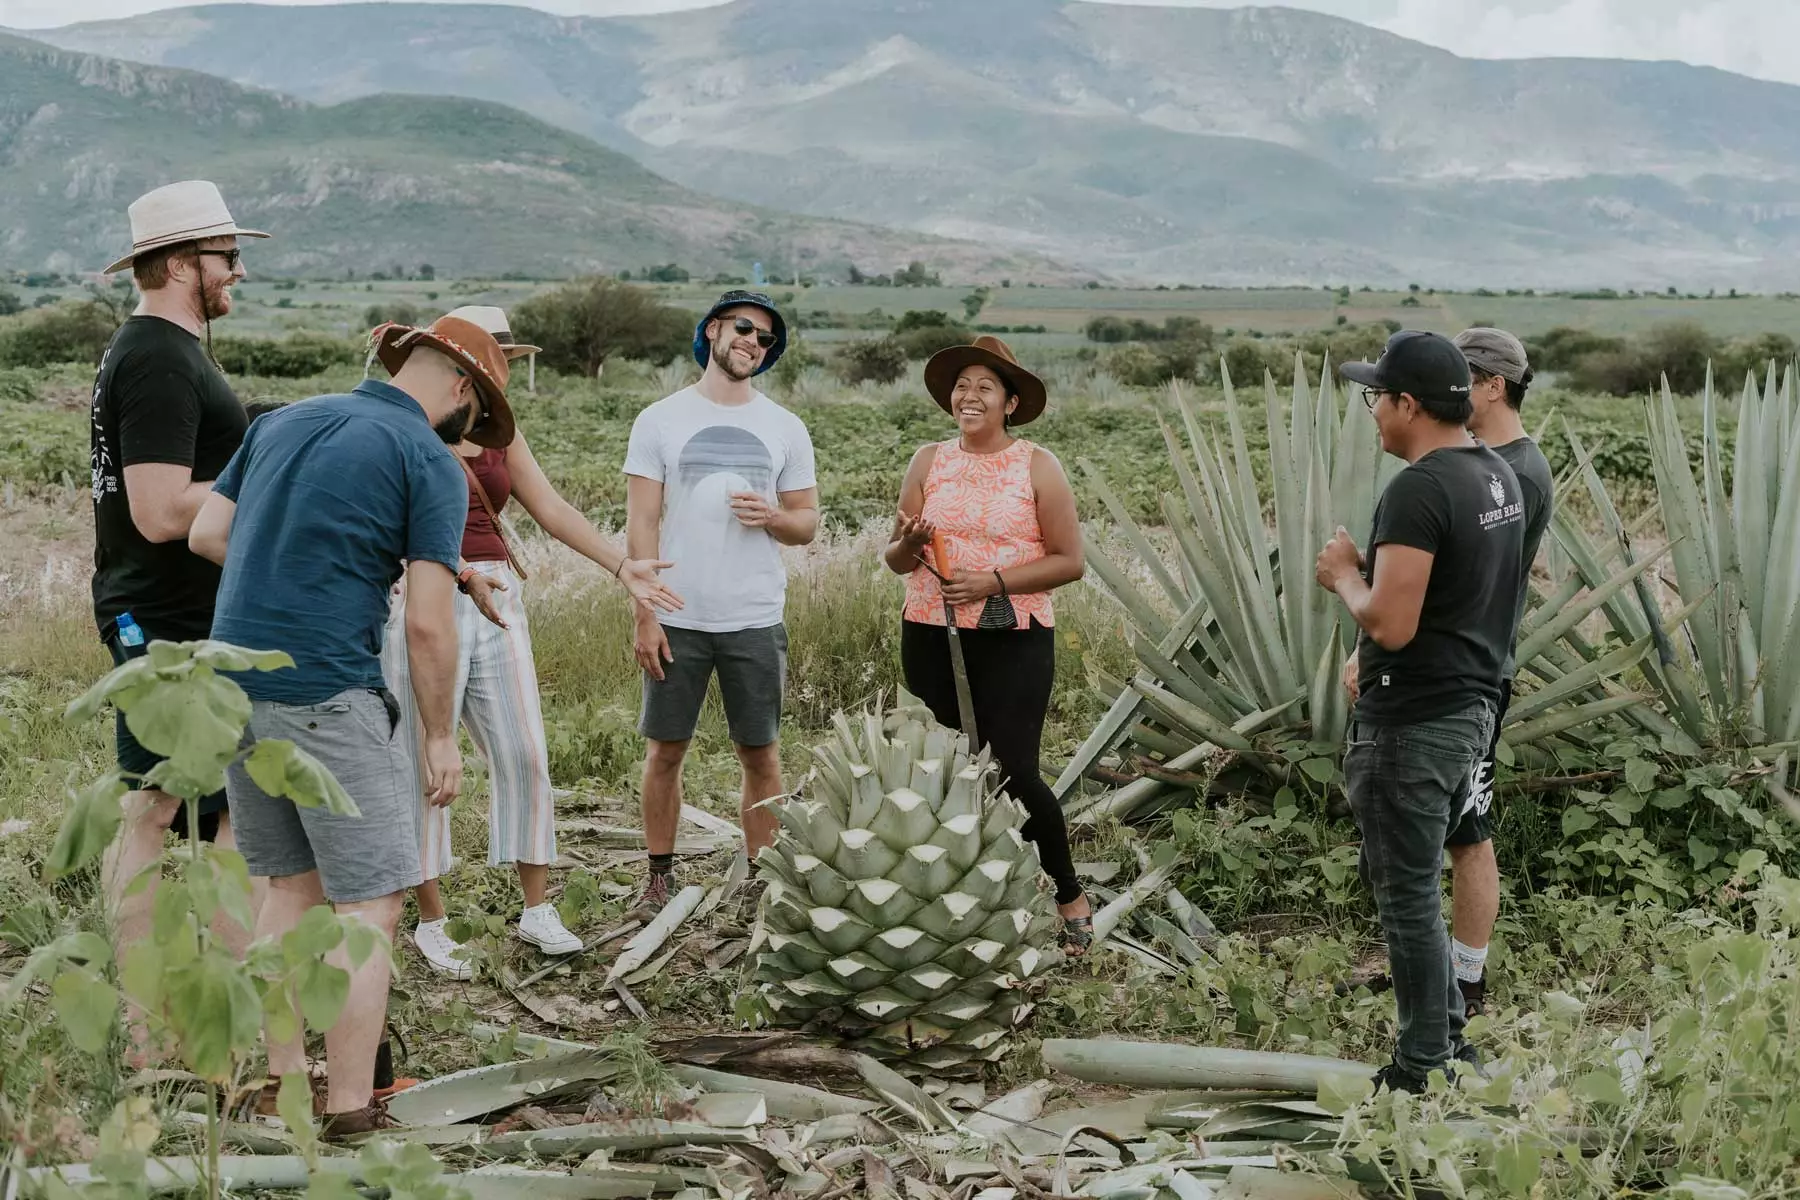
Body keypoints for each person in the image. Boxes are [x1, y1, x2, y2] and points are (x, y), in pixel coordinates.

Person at [189, 314, 513, 1138]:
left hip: (236, 683)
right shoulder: (427, 461)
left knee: (289, 889)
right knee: (372, 906)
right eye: (475, 419)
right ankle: (349, 1112)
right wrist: (440, 738)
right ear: (462, 391)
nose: (470, 434)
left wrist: (307, 567)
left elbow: (209, 533)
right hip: (328, 691)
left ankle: (280, 1085)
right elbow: (430, 628)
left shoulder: (281, 422)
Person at [380, 306, 684, 978]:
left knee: (525, 747)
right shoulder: (408, 424)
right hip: (421, 587)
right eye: (494, 362)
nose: (502, 375)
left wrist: (619, 566)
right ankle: (430, 920)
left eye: (508, 362)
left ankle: (536, 908)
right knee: (420, 762)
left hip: (496, 591)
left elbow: (549, 506)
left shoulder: (498, 432)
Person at [1314, 330, 1524, 1093]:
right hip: (1468, 707)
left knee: (1405, 898)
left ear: (1408, 404)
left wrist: (1343, 576)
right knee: (1415, 888)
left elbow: (1392, 626)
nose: (1372, 413)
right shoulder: (1494, 473)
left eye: (1377, 398)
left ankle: (1421, 1063)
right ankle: (1452, 1043)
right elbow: (1457, 586)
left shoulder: (1419, 488)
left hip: (1413, 719)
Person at [88, 180, 268, 1062]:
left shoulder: (171, 350)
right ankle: (144, 1032)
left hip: (187, 613)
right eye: (226, 255)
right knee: (155, 810)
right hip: (161, 619)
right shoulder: (158, 356)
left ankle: (214, 1014)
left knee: (221, 811)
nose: (240, 269)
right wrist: (265, 488)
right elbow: (161, 511)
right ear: (175, 265)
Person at [882, 336, 1093, 954]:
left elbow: (1070, 561)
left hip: (1011, 632)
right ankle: (962, 891)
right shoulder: (927, 460)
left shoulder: (1036, 465)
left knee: (1015, 769)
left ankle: (1068, 892)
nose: (969, 396)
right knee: (940, 765)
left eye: (985, 387)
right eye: (962, 386)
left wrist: (991, 582)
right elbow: (896, 559)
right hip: (928, 627)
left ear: (1010, 401)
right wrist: (910, 543)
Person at [624, 291, 818, 914]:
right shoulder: (659, 420)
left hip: (754, 616)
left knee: (760, 753)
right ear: (712, 331)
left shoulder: (785, 426)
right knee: (665, 751)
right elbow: (641, 525)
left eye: (765, 340)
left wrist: (773, 517)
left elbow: (807, 523)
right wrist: (645, 613)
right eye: (743, 329)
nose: (753, 343)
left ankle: (765, 880)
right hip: (676, 615)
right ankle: (659, 875)